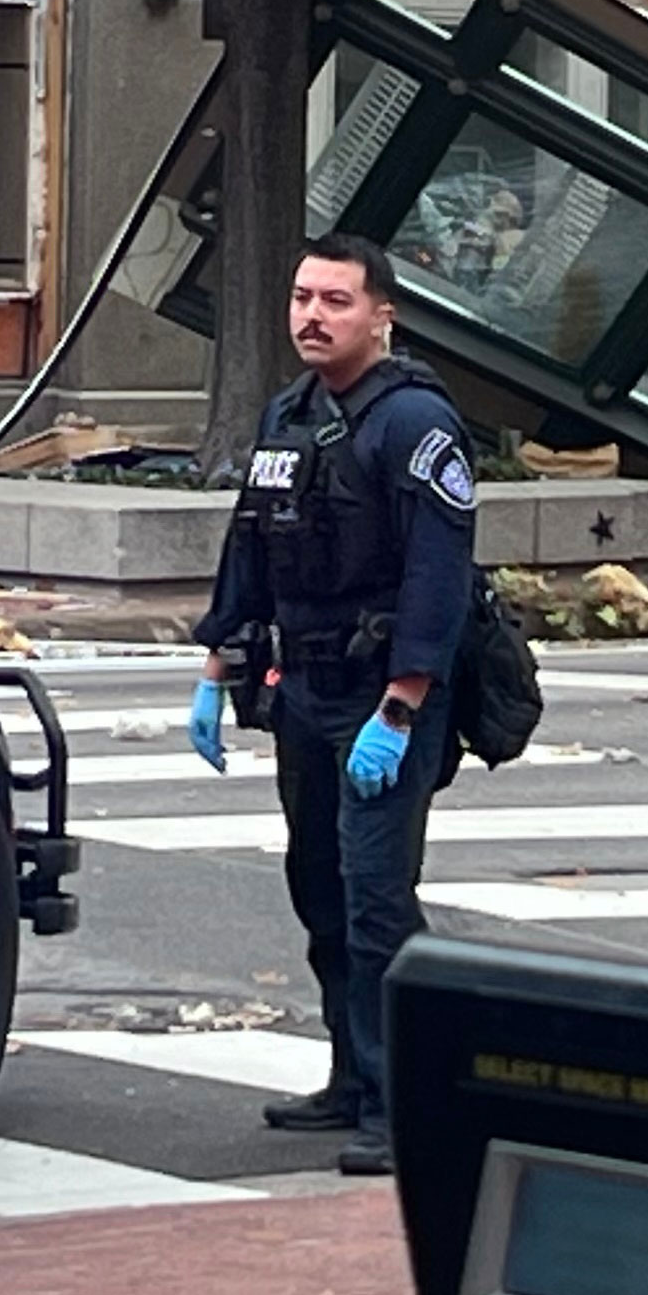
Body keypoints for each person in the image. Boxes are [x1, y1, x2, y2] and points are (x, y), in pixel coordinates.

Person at [185, 233, 477, 1176]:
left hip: (380, 696)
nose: (312, 316)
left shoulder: (415, 422)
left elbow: (439, 576)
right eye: (302, 297)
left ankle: (408, 1105)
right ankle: (353, 1079)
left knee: (378, 905)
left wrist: (402, 707)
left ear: (382, 314)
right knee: (321, 891)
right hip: (303, 690)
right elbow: (252, 545)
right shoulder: (290, 413)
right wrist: (218, 666)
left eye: (335, 301)